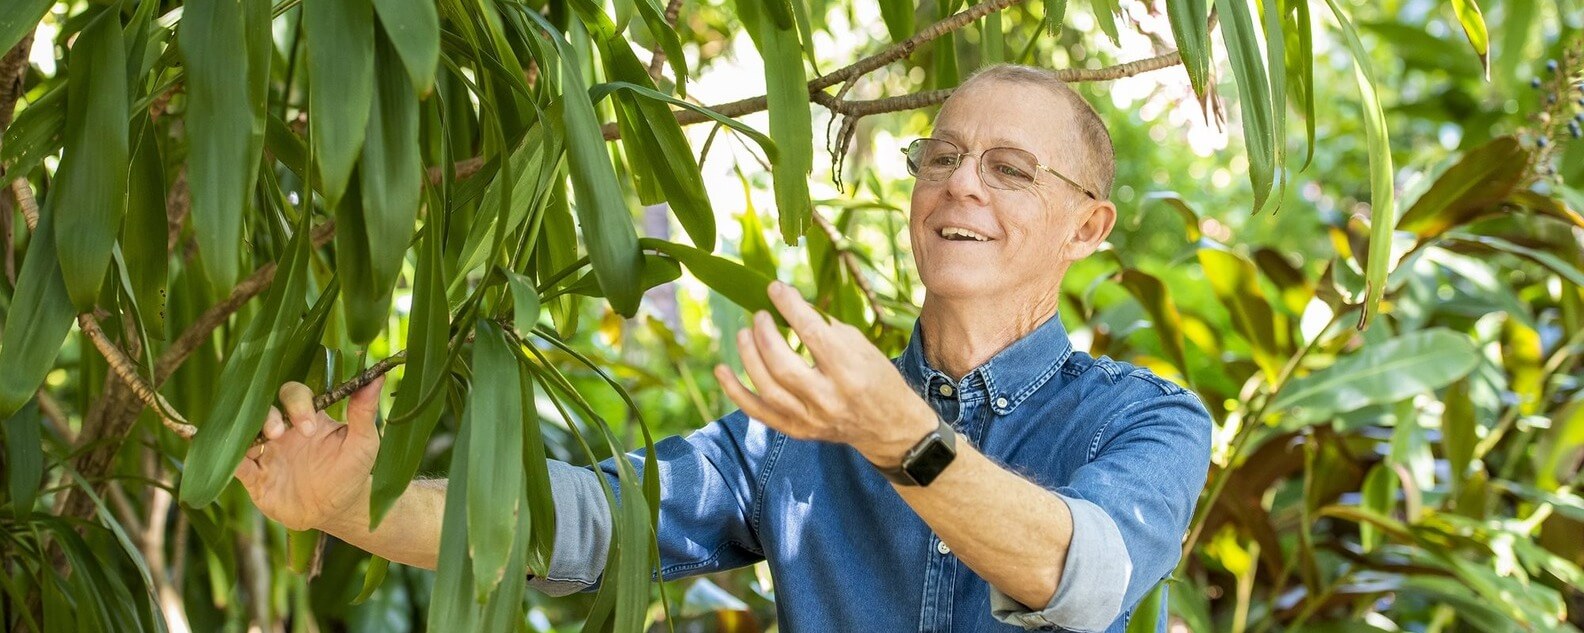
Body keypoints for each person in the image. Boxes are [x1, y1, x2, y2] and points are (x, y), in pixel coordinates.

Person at [235, 63, 1213, 632]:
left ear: (1089, 229)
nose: (963, 185)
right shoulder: (803, 428)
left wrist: (900, 440)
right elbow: (583, 523)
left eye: (1010, 169)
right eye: (943, 156)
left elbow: (1083, 582)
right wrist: (354, 504)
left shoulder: (1147, 419)